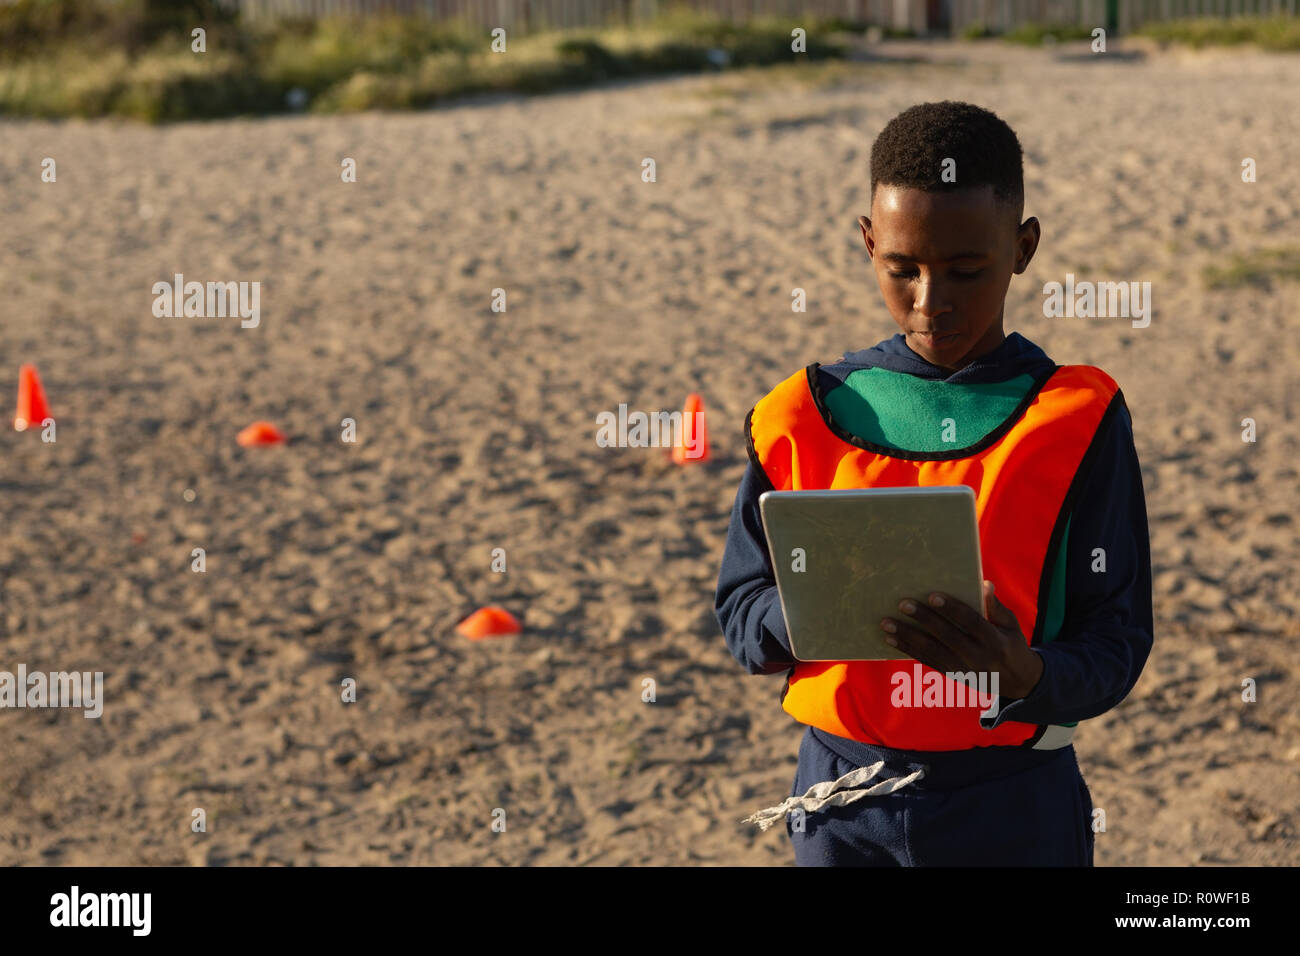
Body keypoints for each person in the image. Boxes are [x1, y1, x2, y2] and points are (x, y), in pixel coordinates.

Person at [714, 101, 1153, 866]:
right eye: (902, 269)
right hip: (843, 802)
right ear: (867, 241)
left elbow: (1117, 640)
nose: (930, 300)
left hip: (1014, 799)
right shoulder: (799, 415)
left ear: (1024, 247)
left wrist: (1026, 674)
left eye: (965, 270)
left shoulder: (1079, 419)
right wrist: (813, 612)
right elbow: (740, 612)